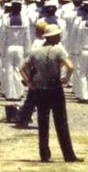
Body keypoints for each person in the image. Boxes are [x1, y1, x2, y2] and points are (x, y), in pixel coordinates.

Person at [23, 22, 81, 163]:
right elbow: (71, 67)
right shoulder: (58, 50)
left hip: (40, 89)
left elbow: (22, 68)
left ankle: (44, 154)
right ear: (53, 37)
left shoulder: (36, 51)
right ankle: (68, 155)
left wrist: (29, 83)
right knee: (61, 122)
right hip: (55, 87)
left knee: (43, 122)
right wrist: (66, 79)